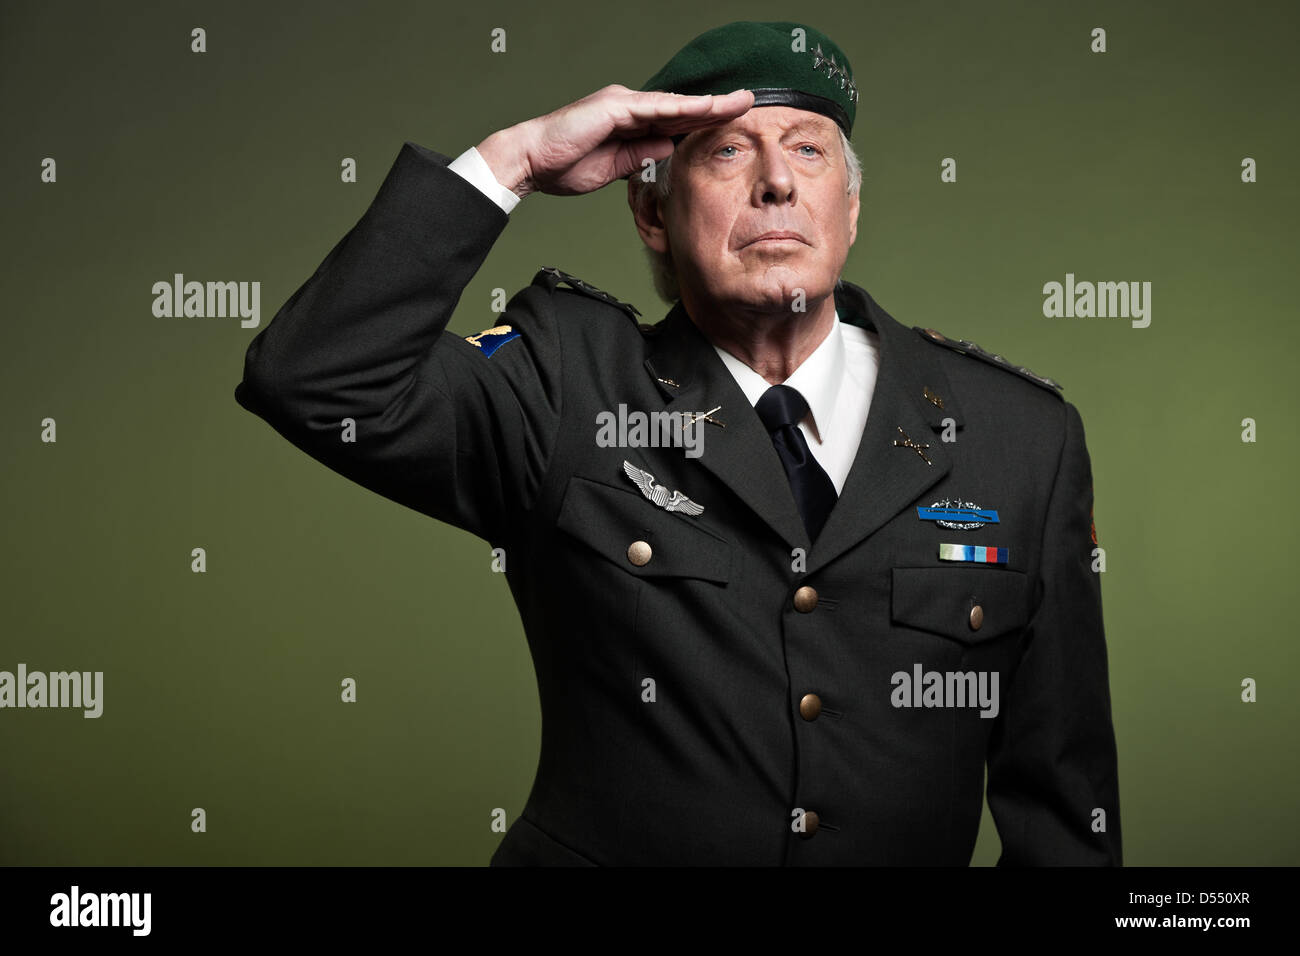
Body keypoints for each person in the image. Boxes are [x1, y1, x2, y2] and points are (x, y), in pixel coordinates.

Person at [234, 20, 1121, 866]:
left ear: (848, 210)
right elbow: (314, 380)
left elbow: (1063, 809)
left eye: (808, 150)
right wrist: (513, 160)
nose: (776, 182)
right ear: (652, 214)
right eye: (728, 152)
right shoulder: (565, 384)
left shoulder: (1018, 435)